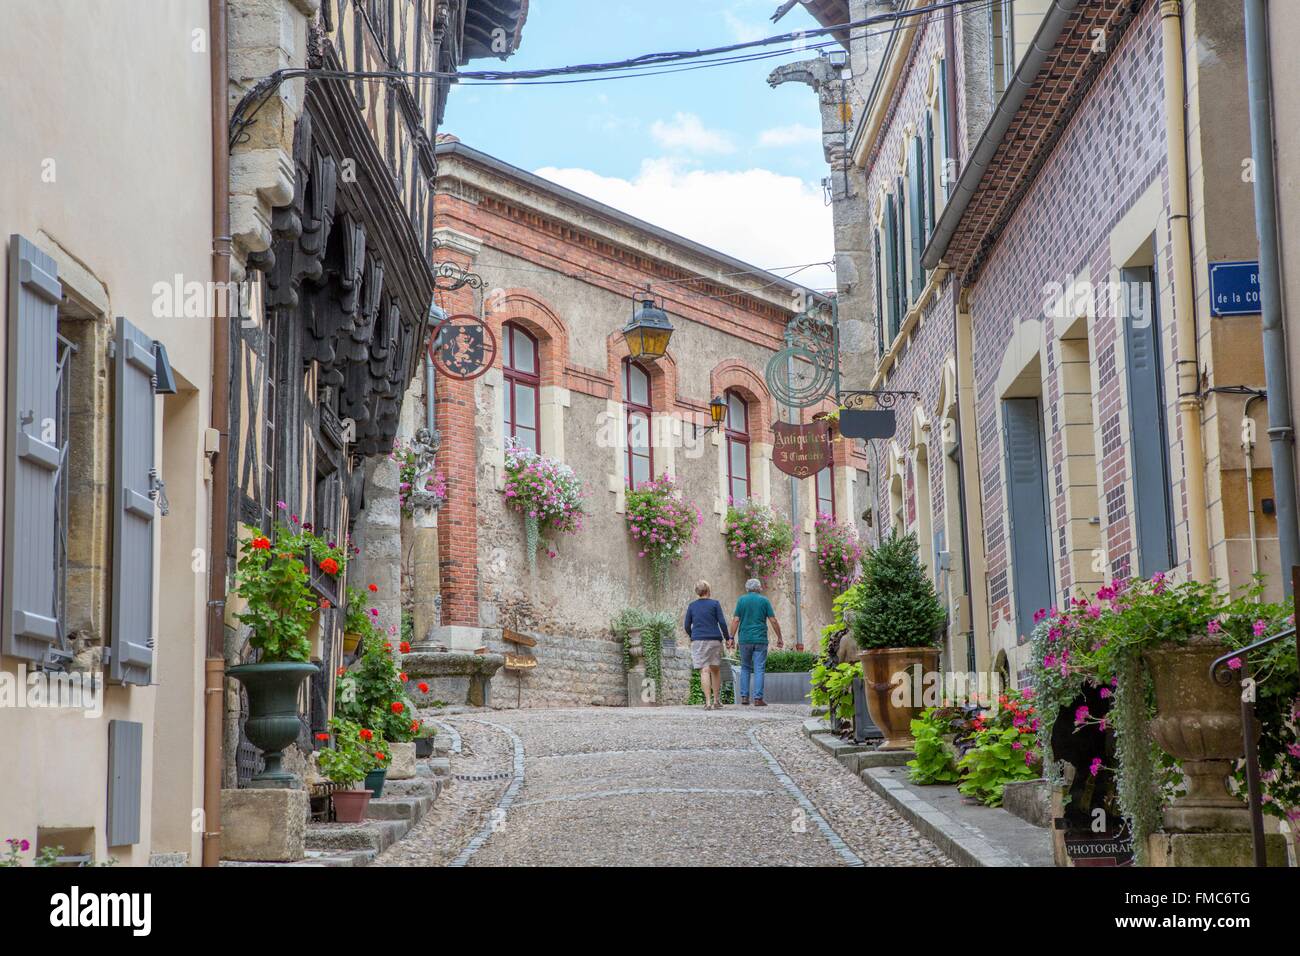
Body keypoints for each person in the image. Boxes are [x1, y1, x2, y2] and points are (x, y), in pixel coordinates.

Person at [728, 578, 783, 706]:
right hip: (760, 639)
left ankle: (744, 698)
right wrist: (779, 637)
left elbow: (736, 620)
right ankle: (758, 699)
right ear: (759, 588)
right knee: (759, 668)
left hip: (745, 639)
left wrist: (731, 637)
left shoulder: (742, 600)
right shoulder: (764, 601)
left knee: (745, 667)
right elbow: (773, 620)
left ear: (747, 588)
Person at [683, 580, 729, 710]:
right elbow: (722, 622)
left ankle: (708, 702)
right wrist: (728, 637)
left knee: (704, 670)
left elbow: (686, 625)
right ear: (708, 590)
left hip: (698, 640)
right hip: (714, 639)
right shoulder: (715, 604)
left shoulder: (692, 606)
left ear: (697, 592)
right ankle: (716, 700)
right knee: (715, 669)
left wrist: (693, 635)